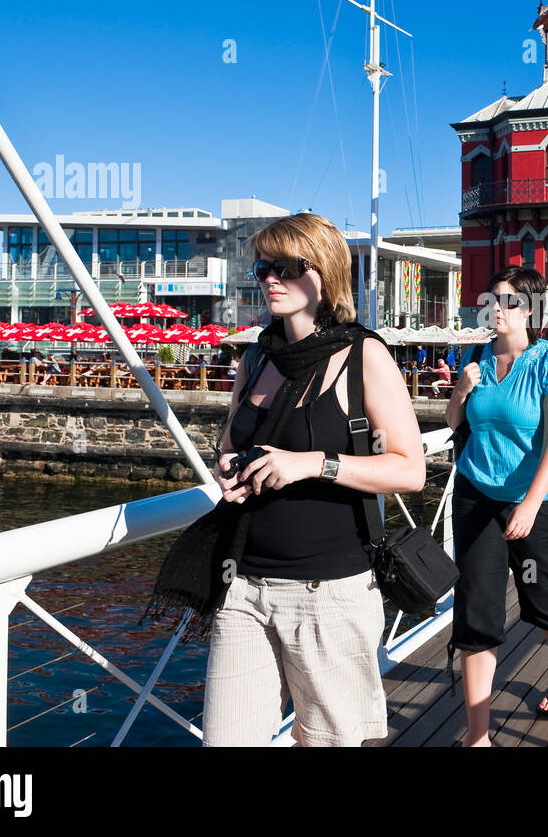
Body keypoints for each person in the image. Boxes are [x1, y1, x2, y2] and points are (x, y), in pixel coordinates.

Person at [174, 212, 425, 746]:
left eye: (288, 266)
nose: (270, 277)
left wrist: (313, 462)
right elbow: (230, 445)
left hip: (327, 590)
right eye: (265, 265)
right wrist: (229, 469)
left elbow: (410, 469)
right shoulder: (257, 356)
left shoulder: (363, 355)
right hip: (242, 583)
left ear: (326, 274)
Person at [446, 266, 548, 746]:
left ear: (531, 310)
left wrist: (529, 503)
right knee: (476, 608)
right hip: (476, 495)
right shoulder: (477, 358)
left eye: (508, 301)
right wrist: (461, 389)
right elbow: (452, 419)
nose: (495, 309)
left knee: (543, 600)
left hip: (538, 501)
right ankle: (477, 737)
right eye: (492, 299)